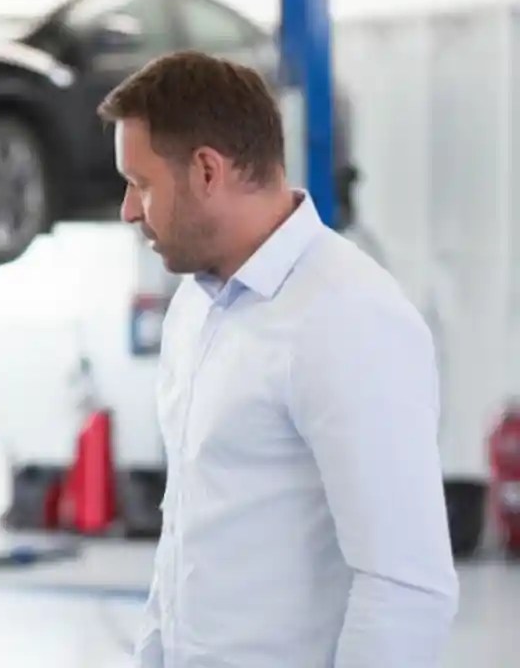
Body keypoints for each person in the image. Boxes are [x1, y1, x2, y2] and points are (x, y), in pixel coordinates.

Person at [98, 51, 459, 667]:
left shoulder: (347, 317)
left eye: (142, 183)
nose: (129, 210)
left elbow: (406, 587)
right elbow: (184, 539)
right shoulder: (195, 309)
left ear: (207, 171)